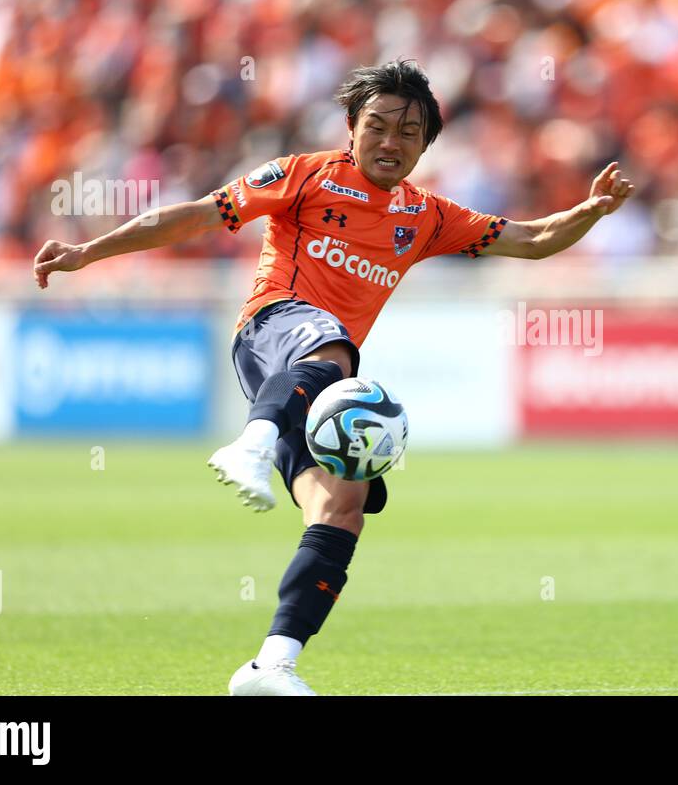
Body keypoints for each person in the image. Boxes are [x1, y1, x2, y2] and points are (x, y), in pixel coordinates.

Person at [32, 60, 634, 695]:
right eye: (377, 125)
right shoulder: (305, 174)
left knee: (343, 509)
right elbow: (198, 216)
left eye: (408, 132)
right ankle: (252, 445)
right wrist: (88, 252)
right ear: (351, 126)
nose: (390, 142)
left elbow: (532, 239)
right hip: (273, 329)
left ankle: (271, 665)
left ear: (426, 145)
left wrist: (591, 210)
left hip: (316, 380)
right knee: (333, 348)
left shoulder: (425, 216)